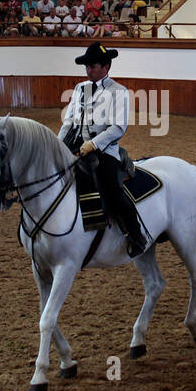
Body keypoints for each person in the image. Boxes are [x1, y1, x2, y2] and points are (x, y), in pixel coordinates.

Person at [58, 42, 146, 257]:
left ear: (105, 67)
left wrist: (94, 144)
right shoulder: (80, 88)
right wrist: (57, 144)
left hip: (103, 151)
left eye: (92, 66)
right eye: (86, 66)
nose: (88, 70)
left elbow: (118, 127)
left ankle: (136, 235)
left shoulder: (119, 91)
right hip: (75, 145)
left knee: (111, 189)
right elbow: (69, 121)